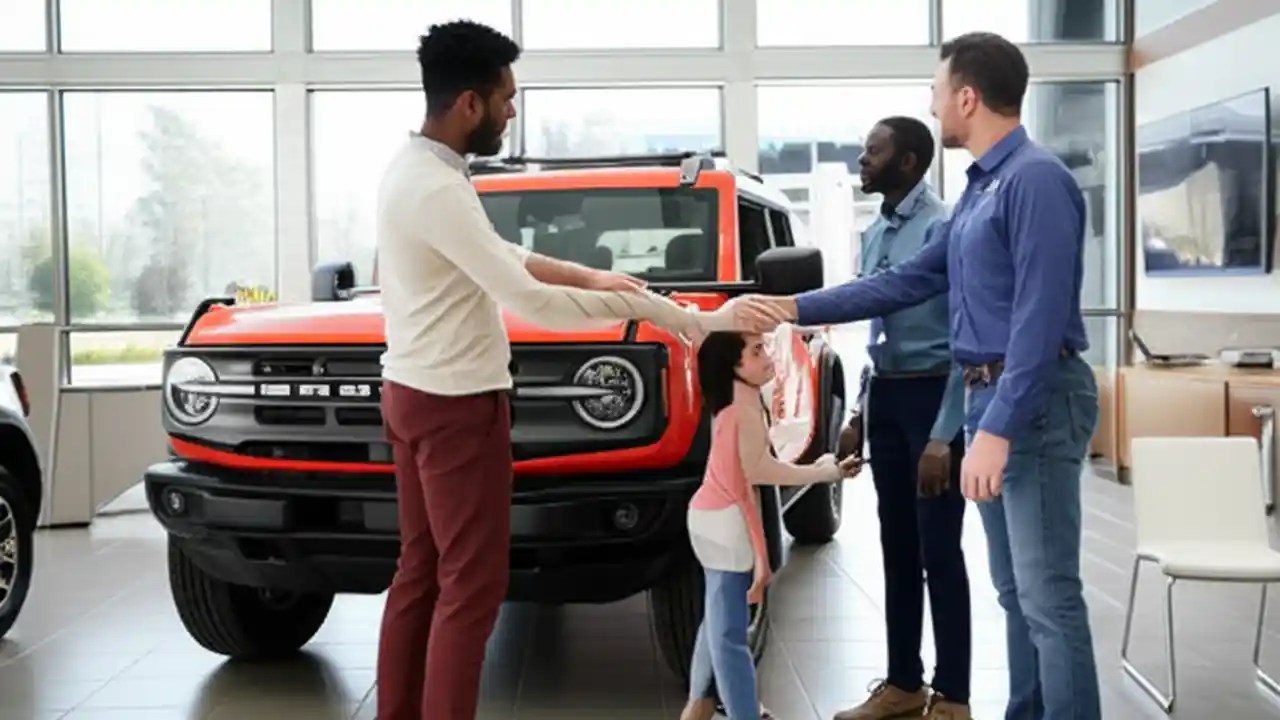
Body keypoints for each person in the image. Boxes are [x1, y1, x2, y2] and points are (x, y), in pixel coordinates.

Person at [375, 20, 786, 720]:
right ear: (469, 102)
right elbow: (526, 296)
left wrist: (600, 277)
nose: (512, 111)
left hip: (411, 392)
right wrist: (660, 315)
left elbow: (511, 257)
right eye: (507, 98)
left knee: (419, 572)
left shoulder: (418, 171)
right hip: (454, 407)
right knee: (471, 589)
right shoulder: (439, 188)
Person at [753, 32, 1102, 720]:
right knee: (1014, 590)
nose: (934, 102)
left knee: (1048, 594)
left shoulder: (1035, 181)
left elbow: (1038, 317)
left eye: (938, 91)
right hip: (988, 394)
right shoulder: (980, 192)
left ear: (967, 97)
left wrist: (995, 427)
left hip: (1029, 398)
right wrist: (789, 307)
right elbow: (903, 282)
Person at [832, 117, 971, 720]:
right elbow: (877, 326)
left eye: (874, 151)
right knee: (896, 549)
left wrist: (945, 433)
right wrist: (862, 410)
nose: (863, 160)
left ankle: (956, 696)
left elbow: (970, 335)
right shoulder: (876, 230)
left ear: (909, 161)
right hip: (887, 396)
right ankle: (903, 685)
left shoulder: (943, 227)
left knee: (939, 550)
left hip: (934, 398)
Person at [681, 331, 861, 720]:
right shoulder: (741, 413)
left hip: (711, 518)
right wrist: (823, 471)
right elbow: (757, 476)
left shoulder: (736, 406)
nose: (769, 357)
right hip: (725, 525)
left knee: (716, 621)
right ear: (735, 366)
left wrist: (824, 470)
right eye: (757, 351)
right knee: (730, 636)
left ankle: (698, 706)